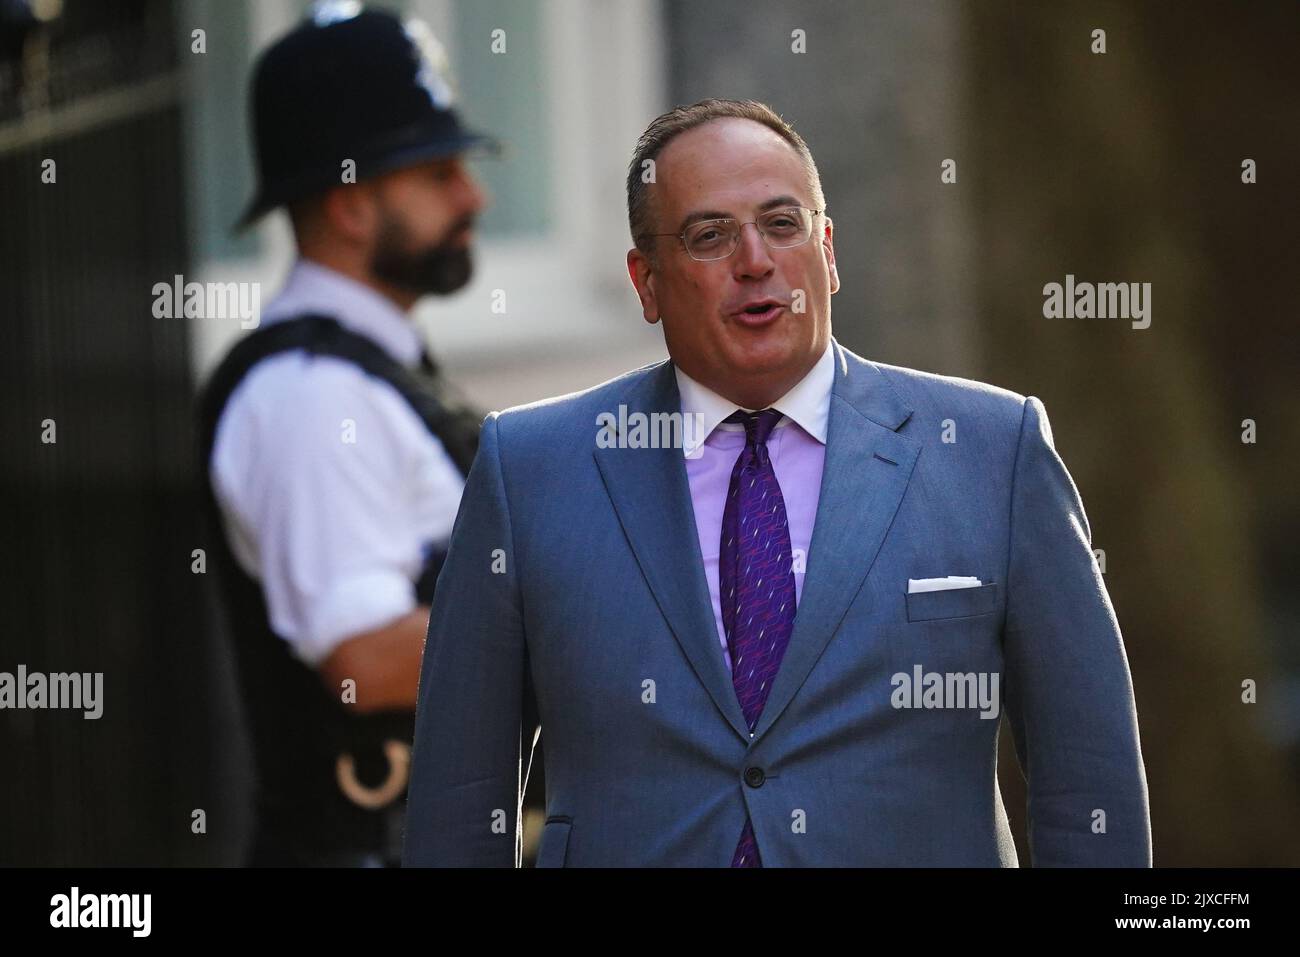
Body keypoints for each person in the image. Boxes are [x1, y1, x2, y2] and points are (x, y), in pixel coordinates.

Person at [402, 98, 1152, 867]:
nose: (755, 260)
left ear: (828, 250)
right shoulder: (529, 468)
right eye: (710, 235)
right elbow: (460, 798)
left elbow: (1087, 775)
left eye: (783, 224)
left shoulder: (995, 450)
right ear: (647, 280)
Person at [197, 4, 498, 867]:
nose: (473, 195)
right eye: (439, 171)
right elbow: (365, 659)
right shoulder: (308, 399)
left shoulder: (373, 367)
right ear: (353, 203)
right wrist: (606, 613)